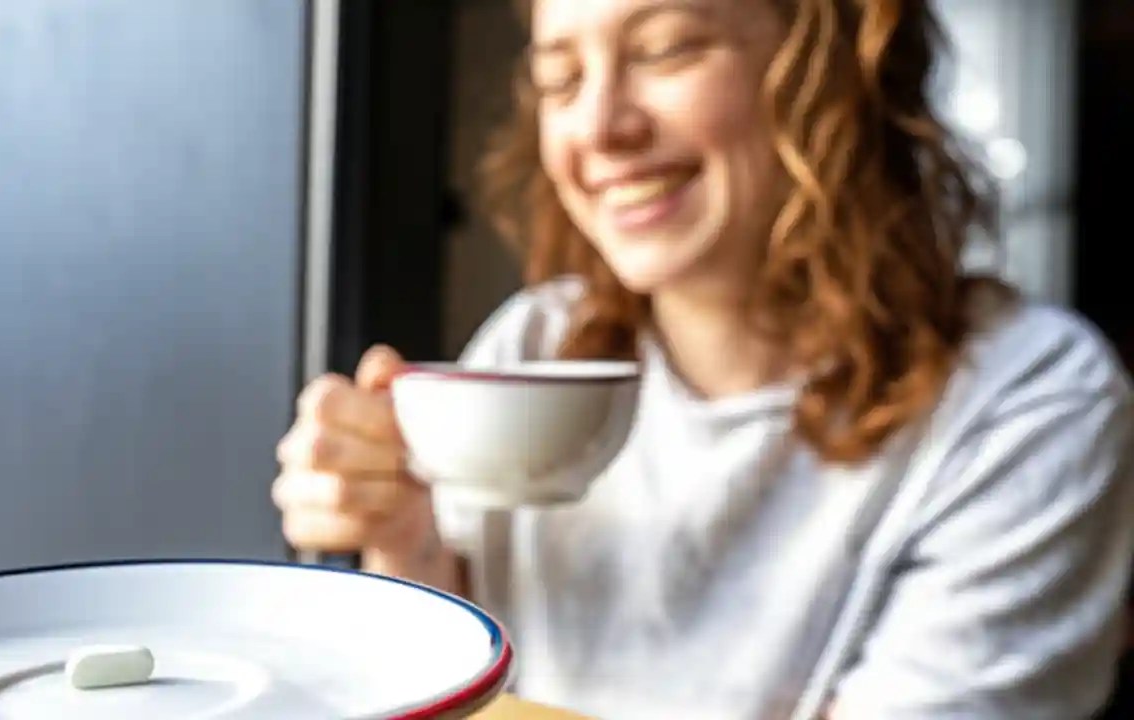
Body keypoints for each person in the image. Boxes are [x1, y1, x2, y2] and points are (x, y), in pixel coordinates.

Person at [273, 0, 1134, 717]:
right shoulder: (534, 344)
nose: (601, 128)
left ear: (833, 66)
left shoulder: (1031, 400)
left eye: (667, 48)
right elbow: (457, 670)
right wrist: (403, 539)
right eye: (561, 77)